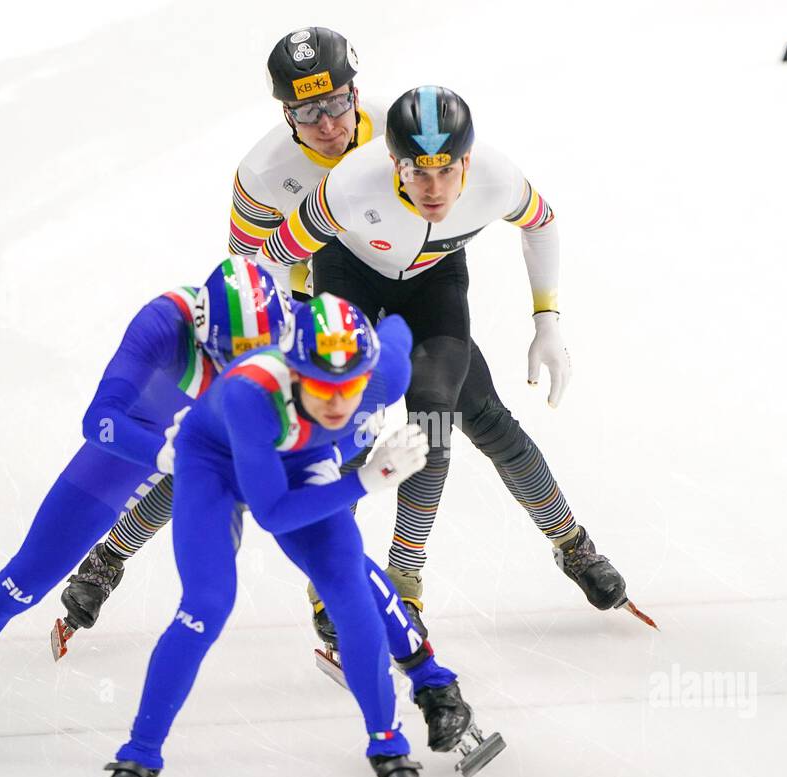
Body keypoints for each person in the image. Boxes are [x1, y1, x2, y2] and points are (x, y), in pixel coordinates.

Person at [0, 259, 290, 776]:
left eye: (258, 356)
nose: (243, 368)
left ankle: (402, 664)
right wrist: (169, 455)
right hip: (133, 446)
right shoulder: (166, 323)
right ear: (205, 330)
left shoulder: (285, 327)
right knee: (23, 582)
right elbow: (98, 421)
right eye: (231, 354)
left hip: (207, 449)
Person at [257, 85, 657, 639]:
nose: (434, 189)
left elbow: (541, 223)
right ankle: (333, 582)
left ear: (468, 160)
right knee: (343, 430)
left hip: (433, 289)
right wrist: (297, 328)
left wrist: (548, 319)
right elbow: (273, 252)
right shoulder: (348, 185)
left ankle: (418, 579)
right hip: (350, 282)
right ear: (392, 162)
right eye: (417, 172)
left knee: (447, 423)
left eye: (447, 171)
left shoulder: (497, 177)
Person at [55, 26, 386, 651]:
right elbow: (245, 272)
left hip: (358, 304)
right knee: (227, 450)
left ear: (355, 92)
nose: (327, 124)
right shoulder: (263, 174)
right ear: (285, 112)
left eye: (337, 104)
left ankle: (328, 592)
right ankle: (112, 555)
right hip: (292, 313)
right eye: (306, 111)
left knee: (335, 452)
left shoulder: (390, 133)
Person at [97, 294, 447, 777]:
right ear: (293, 368)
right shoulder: (249, 392)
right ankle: (139, 756)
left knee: (352, 599)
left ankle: (387, 744)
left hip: (298, 464)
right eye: (320, 385)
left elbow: (404, 322)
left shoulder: (385, 370)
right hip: (214, 465)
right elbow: (273, 513)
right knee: (207, 605)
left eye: (350, 386)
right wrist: (368, 480)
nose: (337, 403)